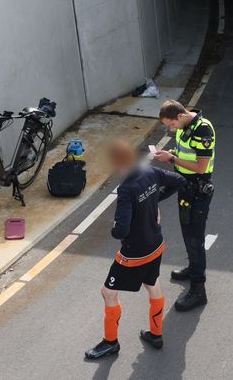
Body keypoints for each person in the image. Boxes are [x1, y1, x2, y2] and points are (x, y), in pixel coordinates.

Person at [85, 140, 186, 360]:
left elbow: (121, 231)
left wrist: (113, 228)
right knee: (152, 284)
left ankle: (110, 342)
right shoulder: (149, 171)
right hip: (156, 245)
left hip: (133, 255)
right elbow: (179, 180)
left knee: (108, 292)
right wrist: (154, 201)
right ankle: (156, 334)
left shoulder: (126, 190)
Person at [153, 100, 216, 312]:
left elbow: (200, 166)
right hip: (184, 185)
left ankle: (199, 290)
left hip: (197, 190)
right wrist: (172, 153)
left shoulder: (203, 129)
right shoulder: (185, 127)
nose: (171, 129)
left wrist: (172, 159)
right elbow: (184, 151)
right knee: (186, 232)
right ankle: (192, 268)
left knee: (195, 238)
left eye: (171, 124)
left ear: (180, 116)